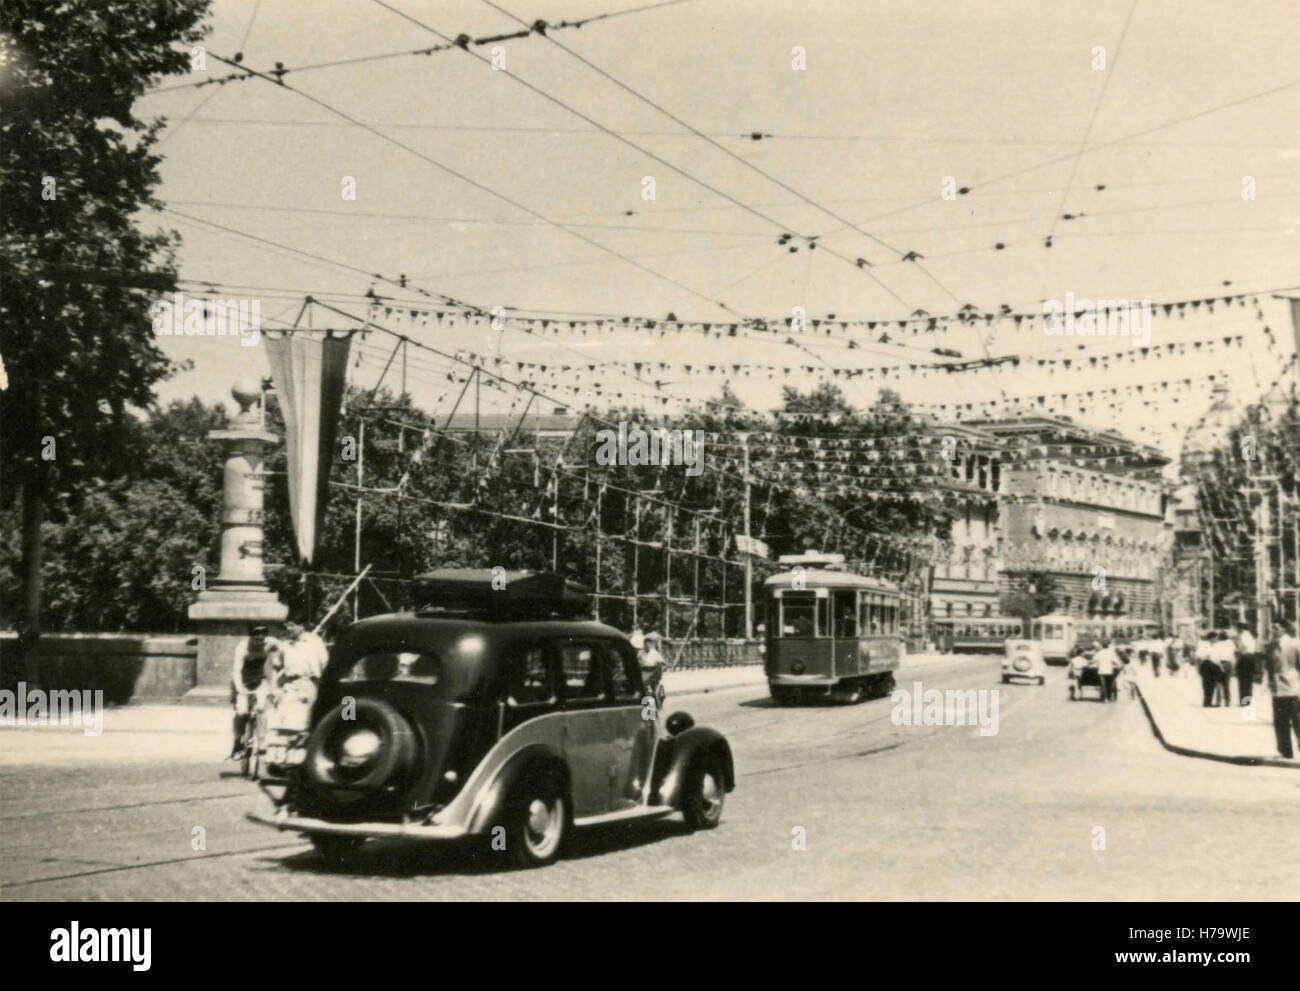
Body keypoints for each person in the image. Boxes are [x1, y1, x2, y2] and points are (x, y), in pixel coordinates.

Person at [230, 624, 279, 758]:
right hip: (242, 681)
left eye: (262, 638)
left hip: (259, 680)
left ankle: (261, 740)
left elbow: (285, 648)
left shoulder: (270, 643)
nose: (259, 641)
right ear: (251, 637)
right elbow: (237, 670)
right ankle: (237, 741)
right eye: (256, 638)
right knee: (242, 712)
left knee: (262, 709)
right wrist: (240, 689)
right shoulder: (242, 647)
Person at [1268, 620, 1300, 759]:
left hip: (1293, 688)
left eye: (1276, 627)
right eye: (1272, 628)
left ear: (1284, 629)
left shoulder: (1294, 644)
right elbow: (1269, 667)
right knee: (1280, 721)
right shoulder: (1270, 646)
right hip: (1277, 689)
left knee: (1297, 720)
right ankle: (1285, 751)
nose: (1273, 630)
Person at [1211, 630, 1236, 706]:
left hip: (1220, 663)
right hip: (1229, 664)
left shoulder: (1217, 645)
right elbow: (1233, 654)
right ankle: (1227, 701)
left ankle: (1218, 702)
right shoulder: (1231, 644)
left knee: (1218, 682)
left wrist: (1218, 665)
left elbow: (1215, 657)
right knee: (1227, 683)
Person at [1235, 622, 1257, 707]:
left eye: (1236, 629)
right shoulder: (1249, 636)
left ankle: (1244, 701)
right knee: (1248, 681)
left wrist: (1237, 651)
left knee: (1243, 680)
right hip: (1251, 658)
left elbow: (1242, 648)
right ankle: (1247, 701)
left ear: (1240, 628)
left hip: (1245, 658)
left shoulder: (1243, 636)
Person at [1093, 638, 1119, 703]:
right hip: (1109, 671)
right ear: (1108, 646)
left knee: (1103, 685)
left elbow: (1094, 660)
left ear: (1102, 646)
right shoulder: (1111, 653)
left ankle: (1105, 698)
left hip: (1101, 671)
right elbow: (1116, 662)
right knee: (1109, 684)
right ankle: (1109, 697)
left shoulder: (1099, 653)